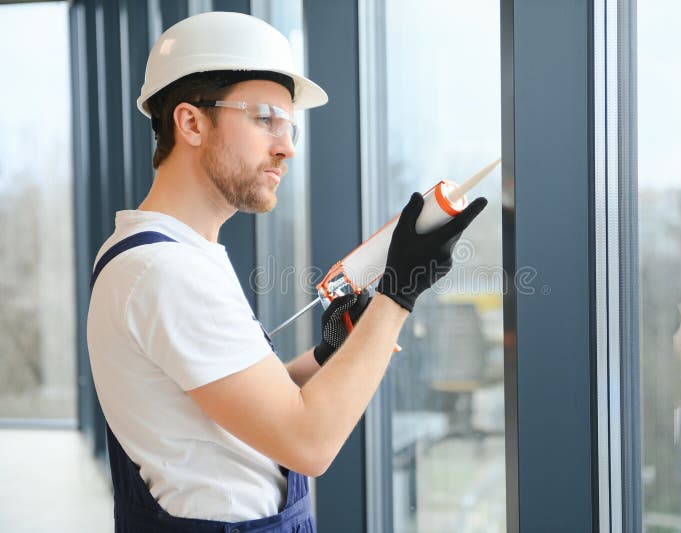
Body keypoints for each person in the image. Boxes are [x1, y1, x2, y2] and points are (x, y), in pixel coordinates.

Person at [86, 11, 487, 533]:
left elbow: (228, 409)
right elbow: (308, 443)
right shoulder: (165, 270)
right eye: (264, 119)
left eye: (289, 125)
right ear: (190, 122)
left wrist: (327, 357)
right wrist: (399, 293)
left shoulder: (170, 254)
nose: (287, 146)